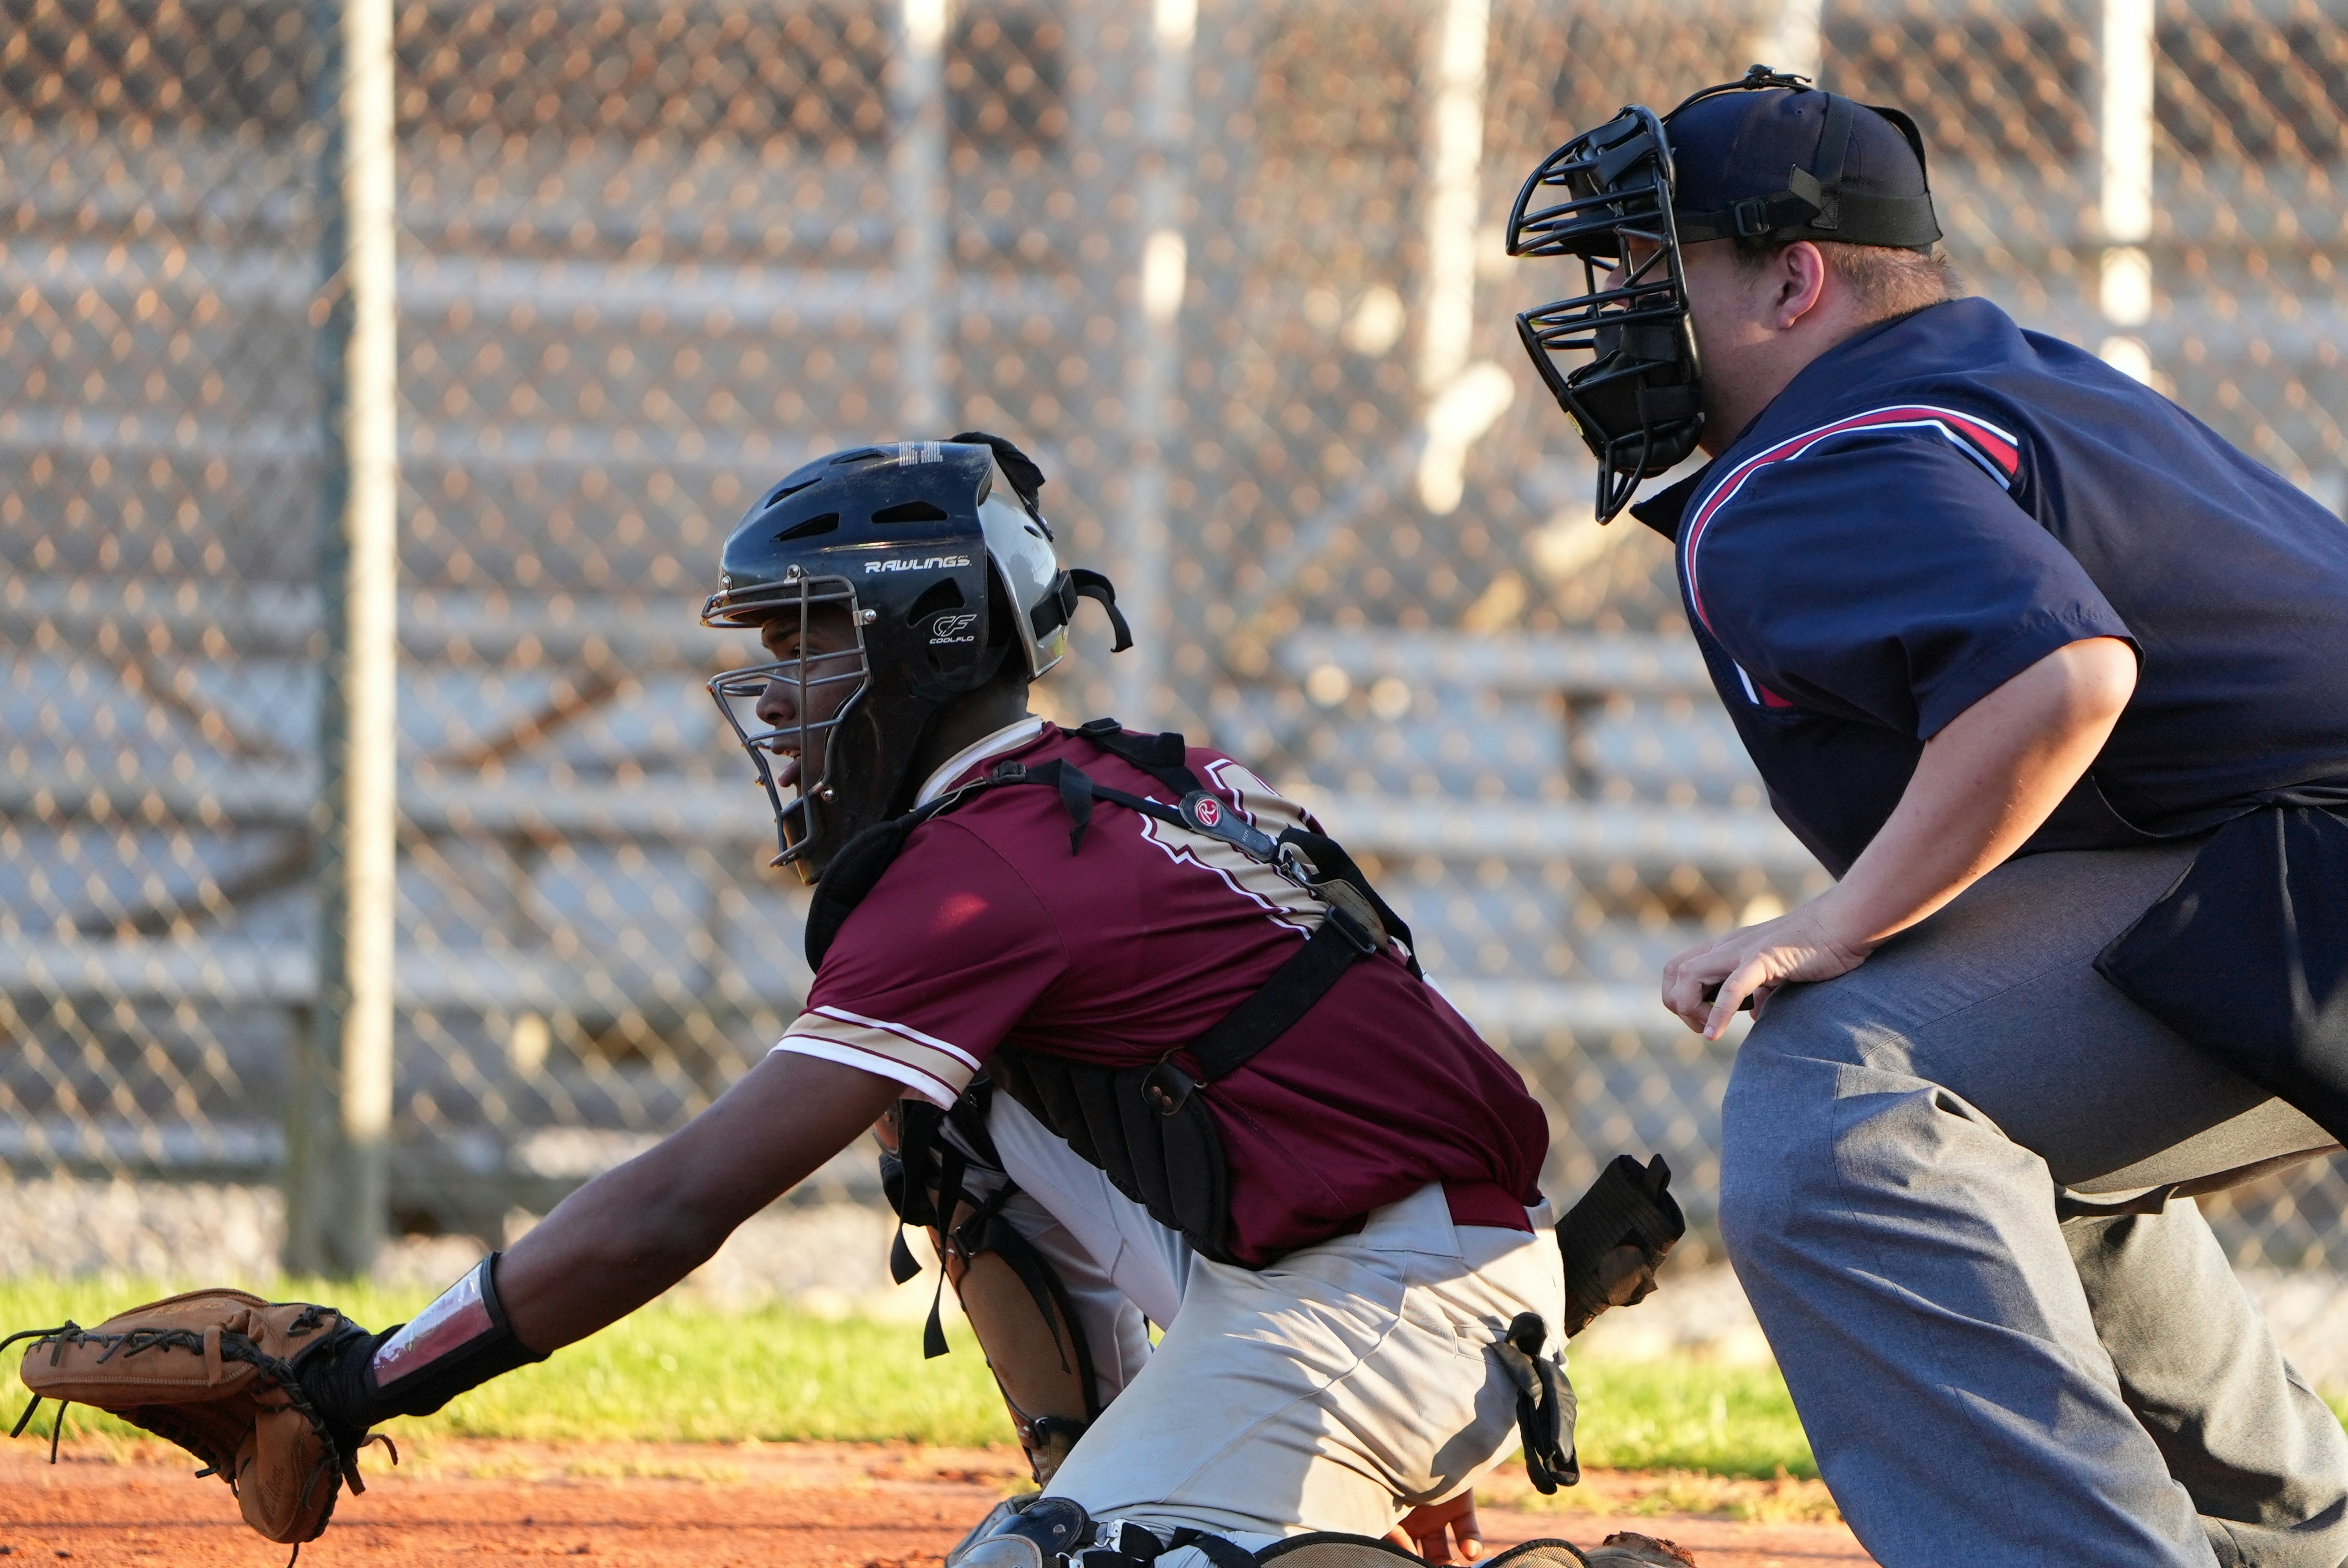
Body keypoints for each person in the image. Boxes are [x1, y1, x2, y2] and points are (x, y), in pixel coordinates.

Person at [255, 436, 1687, 1568]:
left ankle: (1220, 1528)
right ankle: (1183, 1483)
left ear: (924, 639)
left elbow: (678, 1203)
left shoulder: (987, 868)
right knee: (938, 1120)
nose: (778, 692)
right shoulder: (1138, 777)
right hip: (1416, 1280)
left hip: (1381, 1308)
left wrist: (375, 1377)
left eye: (807, 642)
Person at [1504, 65, 2348, 1568]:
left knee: (1847, 1096)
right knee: (1976, 1091)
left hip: (2318, 864)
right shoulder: (2014, 376)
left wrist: (1835, 923)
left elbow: (2065, 674)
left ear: (1797, 279)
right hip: (2299, 859)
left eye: (1658, 269)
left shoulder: (1799, 460)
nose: (1624, 310)